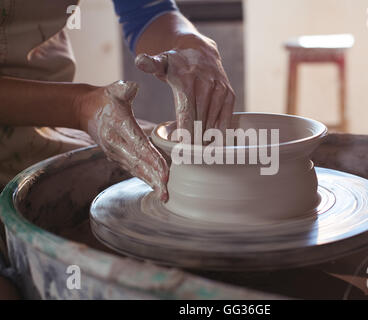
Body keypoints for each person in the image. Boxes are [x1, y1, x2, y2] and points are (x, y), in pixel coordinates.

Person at [0, 0, 235, 201]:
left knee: (168, 164)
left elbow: (147, 11)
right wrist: (77, 107)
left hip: (51, 125)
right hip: (47, 112)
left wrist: (188, 43)